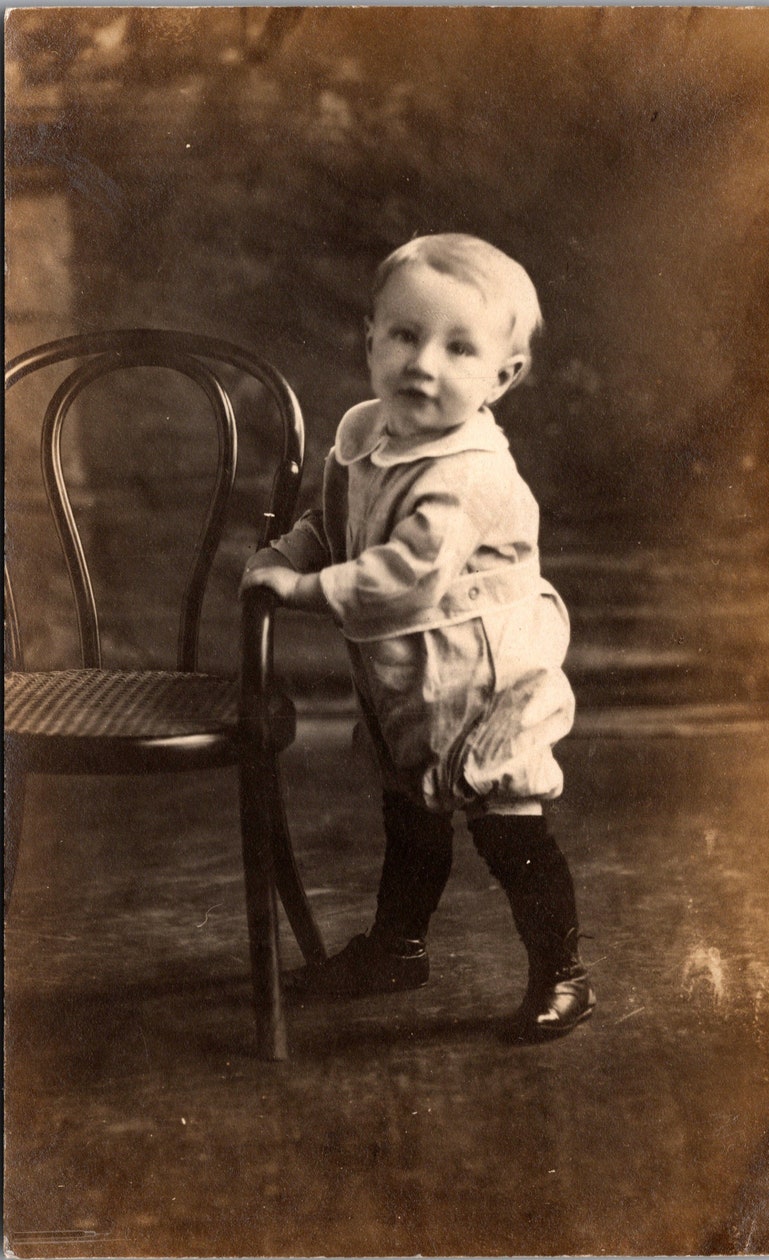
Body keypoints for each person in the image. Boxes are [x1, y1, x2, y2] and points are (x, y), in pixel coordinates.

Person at [239, 233, 595, 1041]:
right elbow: (337, 523)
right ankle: (397, 947)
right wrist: (296, 551)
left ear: (502, 377)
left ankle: (563, 973)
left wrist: (302, 590)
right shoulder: (368, 432)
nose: (422, 364)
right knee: (411, 818)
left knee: (510, 829)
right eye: (404, 335)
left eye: (459, 347)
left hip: (484, 679)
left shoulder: (468, 473)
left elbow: (408, 573)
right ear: (370, 338)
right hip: (411, 676)